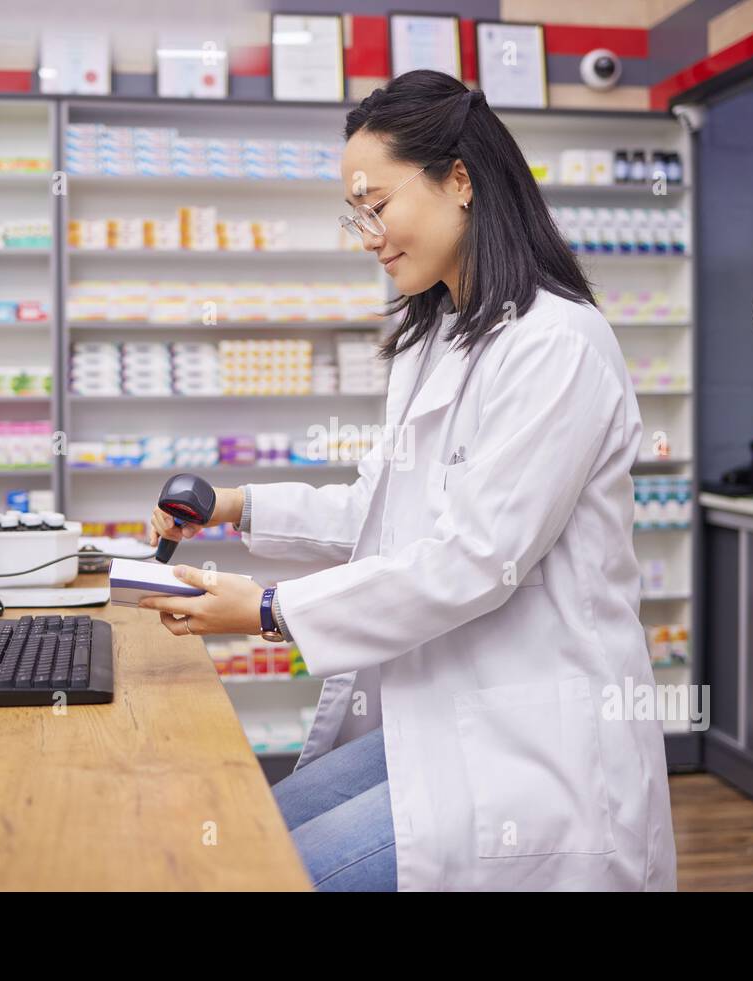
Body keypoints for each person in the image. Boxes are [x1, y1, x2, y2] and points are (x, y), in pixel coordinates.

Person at [141, 69, 677, 892]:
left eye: (377, 204)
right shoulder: (442, 339)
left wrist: (267, 609)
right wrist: (236, 506)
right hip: (448, 720)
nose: (367, 233)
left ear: (458, 180)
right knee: (258, 830)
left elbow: (472, 558)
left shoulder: (557, 345)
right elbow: (380, 506)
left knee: (264, 870)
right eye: (355, 213)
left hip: (536, 756)